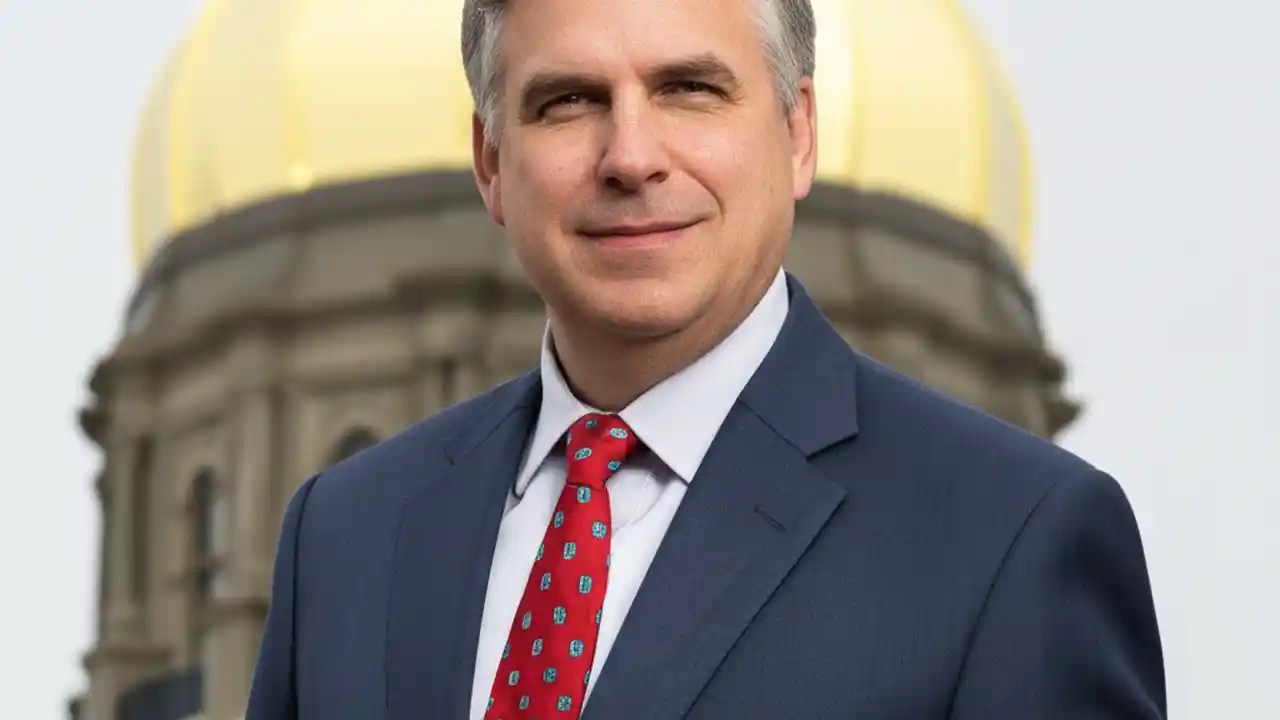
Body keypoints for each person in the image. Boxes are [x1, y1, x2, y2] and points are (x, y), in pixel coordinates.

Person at [246, 0, 1167, 717]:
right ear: (490, 162)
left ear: (798, 133)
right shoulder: (344, 538)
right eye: (569, 101)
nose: (631, 156)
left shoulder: (1010, 538)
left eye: (689, 88)